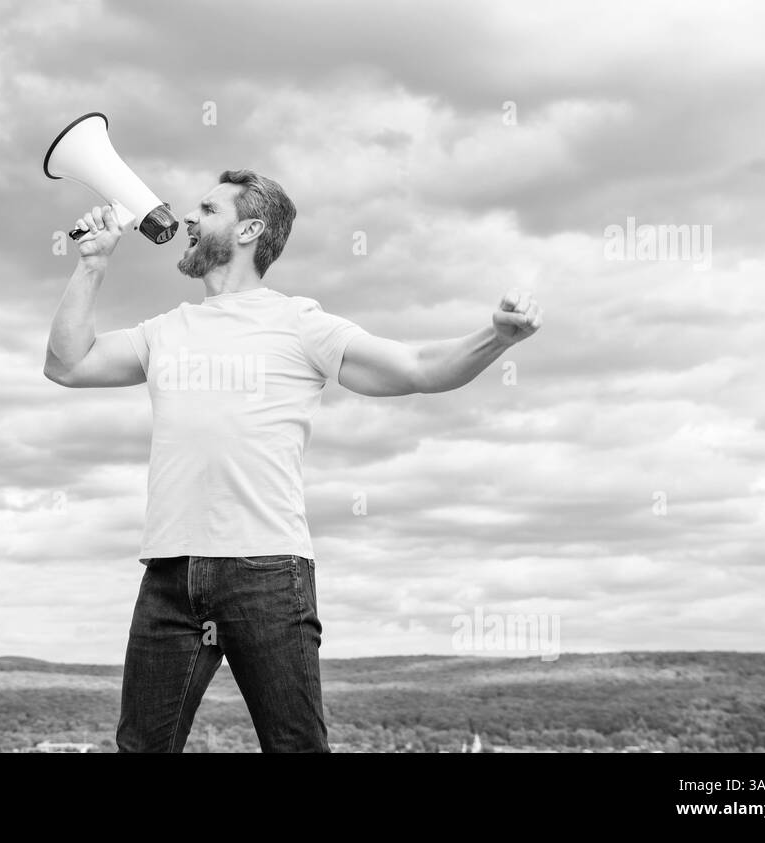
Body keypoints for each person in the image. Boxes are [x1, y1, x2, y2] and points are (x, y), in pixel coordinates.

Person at [44, 169, 542, 752]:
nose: (187, 218)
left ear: (250, 228)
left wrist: (497, 338)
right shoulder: (165, 331)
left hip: (266, 573)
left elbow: (417, 368)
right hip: (169, 574)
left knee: (295, 747)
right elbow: (67, 366)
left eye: (207, 208)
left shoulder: (299, 323)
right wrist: (92, 264)